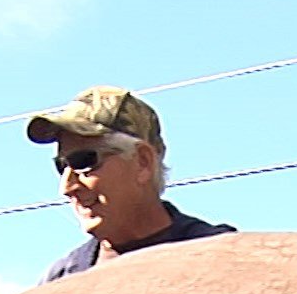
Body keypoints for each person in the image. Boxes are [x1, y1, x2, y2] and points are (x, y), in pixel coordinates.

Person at [26, 85, 235, 283]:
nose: (67, 188)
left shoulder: (223, 258)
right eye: (61, 166)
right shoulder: (60, 279)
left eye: (83, 162)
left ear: (143, 162)